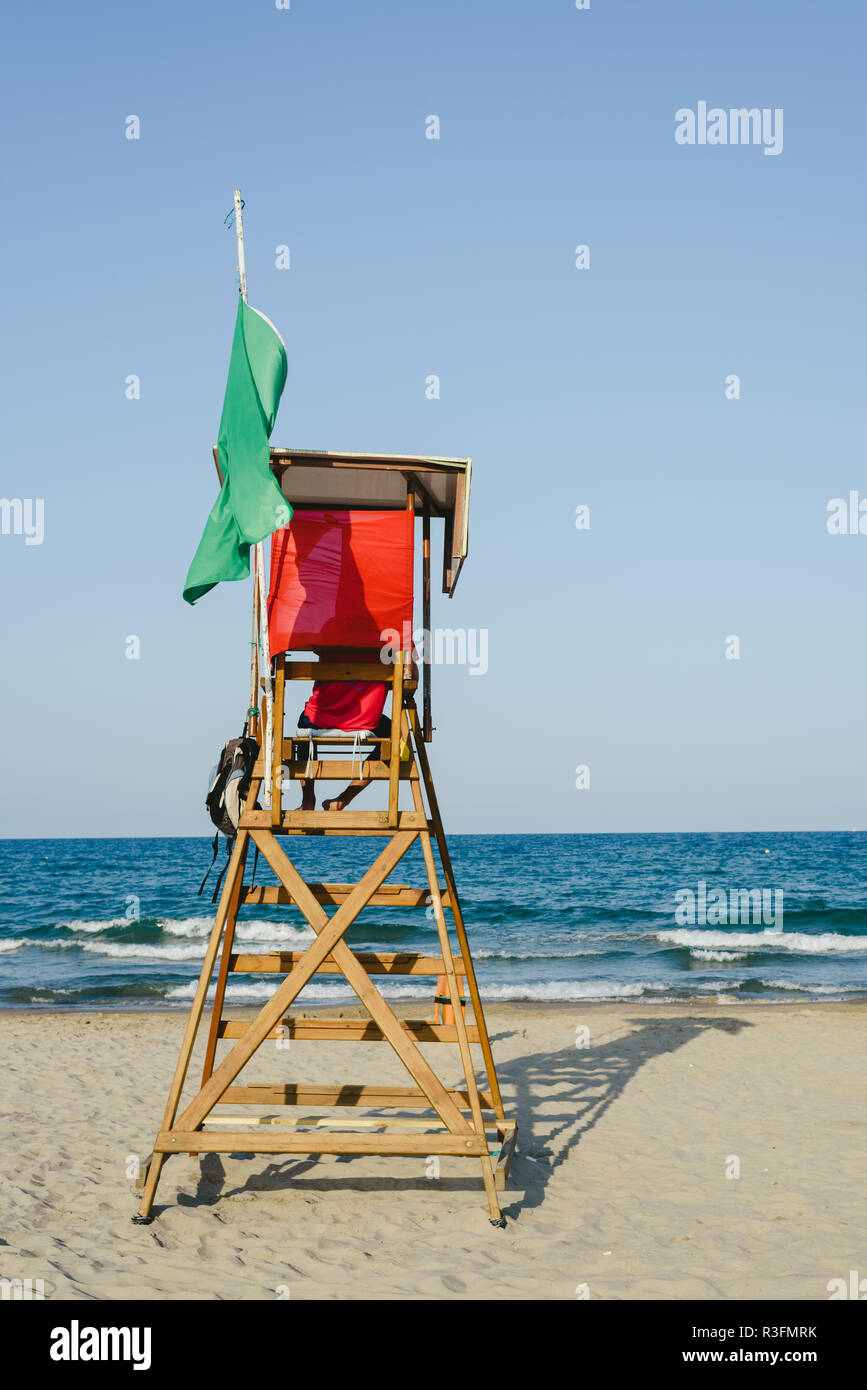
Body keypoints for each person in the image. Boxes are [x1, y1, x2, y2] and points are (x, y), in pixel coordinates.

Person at [295, 648, 390, 811]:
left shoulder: (328, 629)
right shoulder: (390, 636)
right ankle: (342, 800)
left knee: (303, 729)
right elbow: (412, 676)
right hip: (365, 718)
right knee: (397, 739)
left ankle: (308, 801)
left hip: (320, 716)